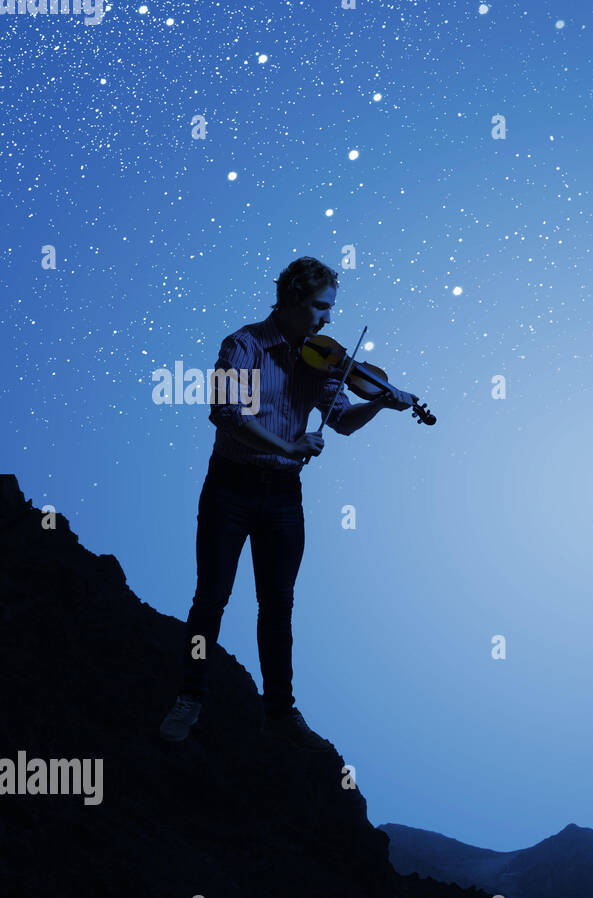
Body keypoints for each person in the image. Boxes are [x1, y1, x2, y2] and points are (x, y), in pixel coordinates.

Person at [159, 256, 416, 747]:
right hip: (230, 488)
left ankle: (279, 710)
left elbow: (340, 421)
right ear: (294, 299)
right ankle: (189, 698)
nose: (327, 319)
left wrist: (381, 402)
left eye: (330, 310)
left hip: (282, 496)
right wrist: (288, 447)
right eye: (320, 307)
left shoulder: (319, 359)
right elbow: (225, 413)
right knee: (210, 599)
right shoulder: (243, 345)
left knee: (277, 605)